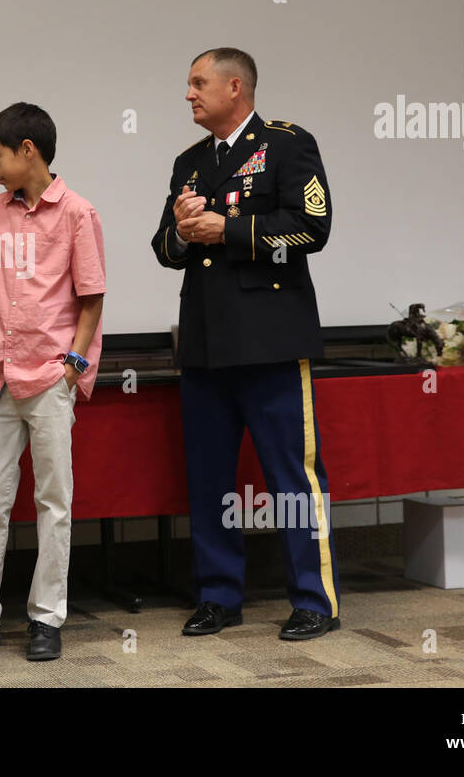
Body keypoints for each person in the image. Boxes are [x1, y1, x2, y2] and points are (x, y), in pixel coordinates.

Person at [150, 47, 339, 640]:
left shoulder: (287, 144)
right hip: (205, 345)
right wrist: (181, 233)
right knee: (208, 477)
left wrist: (226, 229)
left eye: (198, 83)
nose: (189, 94)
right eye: (188, 85)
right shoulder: (188, 161)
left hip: (270, 342)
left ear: (236, 87)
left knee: (292, 477)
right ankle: (217, 596)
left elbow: (313, 228)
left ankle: (314, 600)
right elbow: (163, 247)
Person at [0, 102, 106, 662]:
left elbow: (91, 298)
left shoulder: (78, 213)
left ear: (28, 151)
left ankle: (47, 619)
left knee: (53, 500)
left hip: (49, 376)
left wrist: (73, 367)